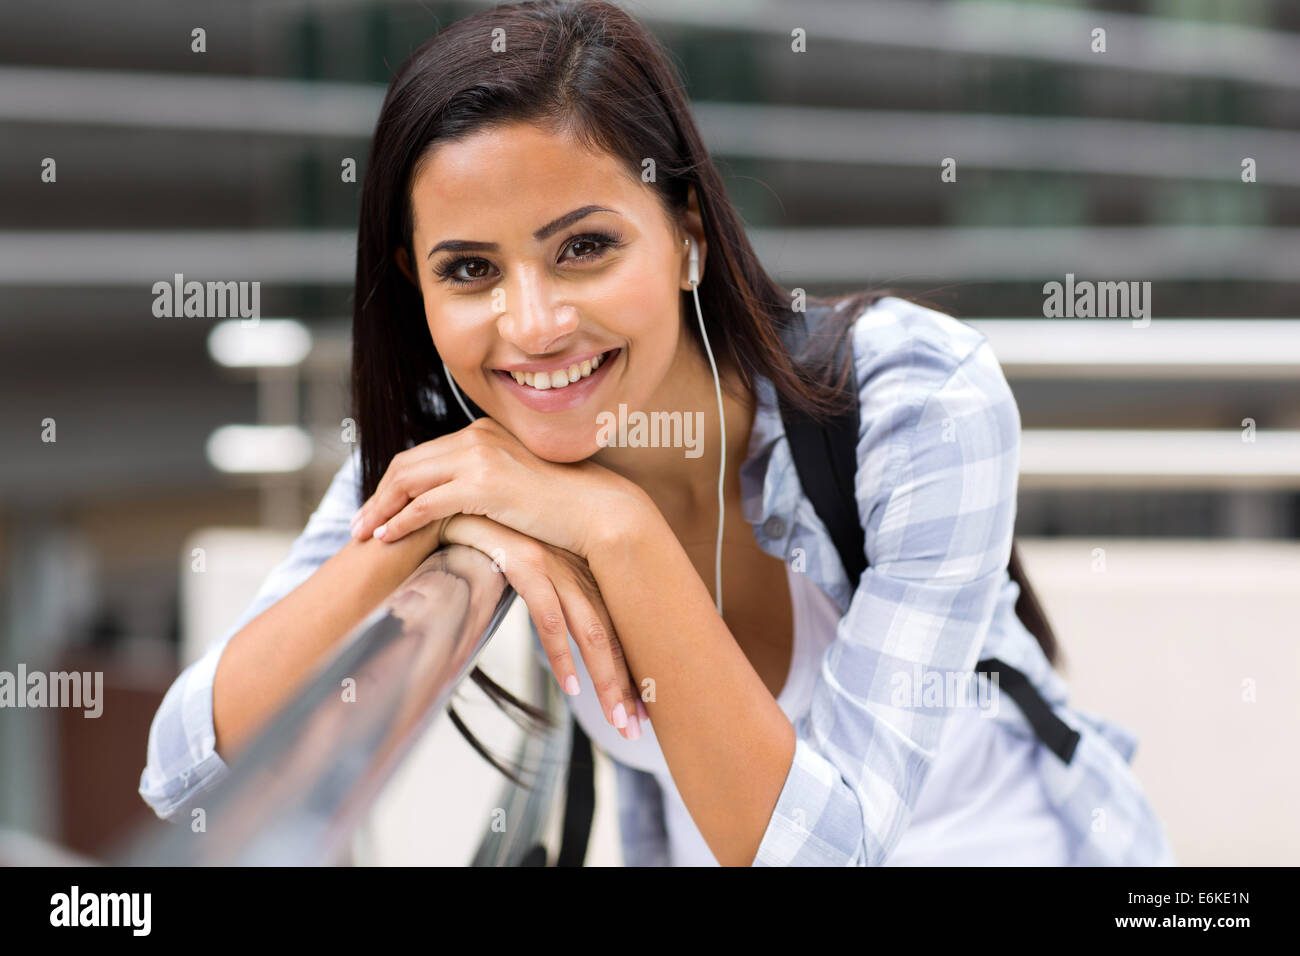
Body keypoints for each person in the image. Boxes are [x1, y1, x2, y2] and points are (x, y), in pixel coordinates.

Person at [140, 0, 1176, 867]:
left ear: (685, 232)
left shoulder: (916, 398)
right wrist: (421, 531)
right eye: (470, 270)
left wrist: (612, 524)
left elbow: (829, 849)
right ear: (418, 287)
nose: (534, 324)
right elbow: (186, 768)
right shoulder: (457, 443)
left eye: (583, 247)